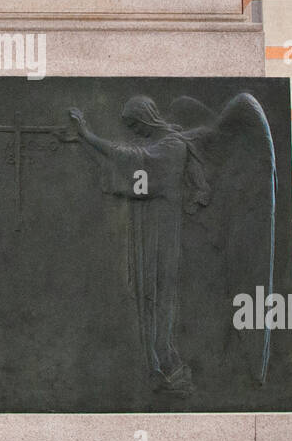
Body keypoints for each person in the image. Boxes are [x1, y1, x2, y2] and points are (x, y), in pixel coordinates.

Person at [68, 97, 212, 394]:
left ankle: (163, 358)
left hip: (161, 231)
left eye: (134, 125)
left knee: (158, 292)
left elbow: (135, 161)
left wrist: (89, 137)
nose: (133, 131)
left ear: (145, 118)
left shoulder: (172, 147)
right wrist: (85, 143)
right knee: (147, 292)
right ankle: (156, 360)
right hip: (147, 226)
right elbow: (131, 160)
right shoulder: (161, 145)